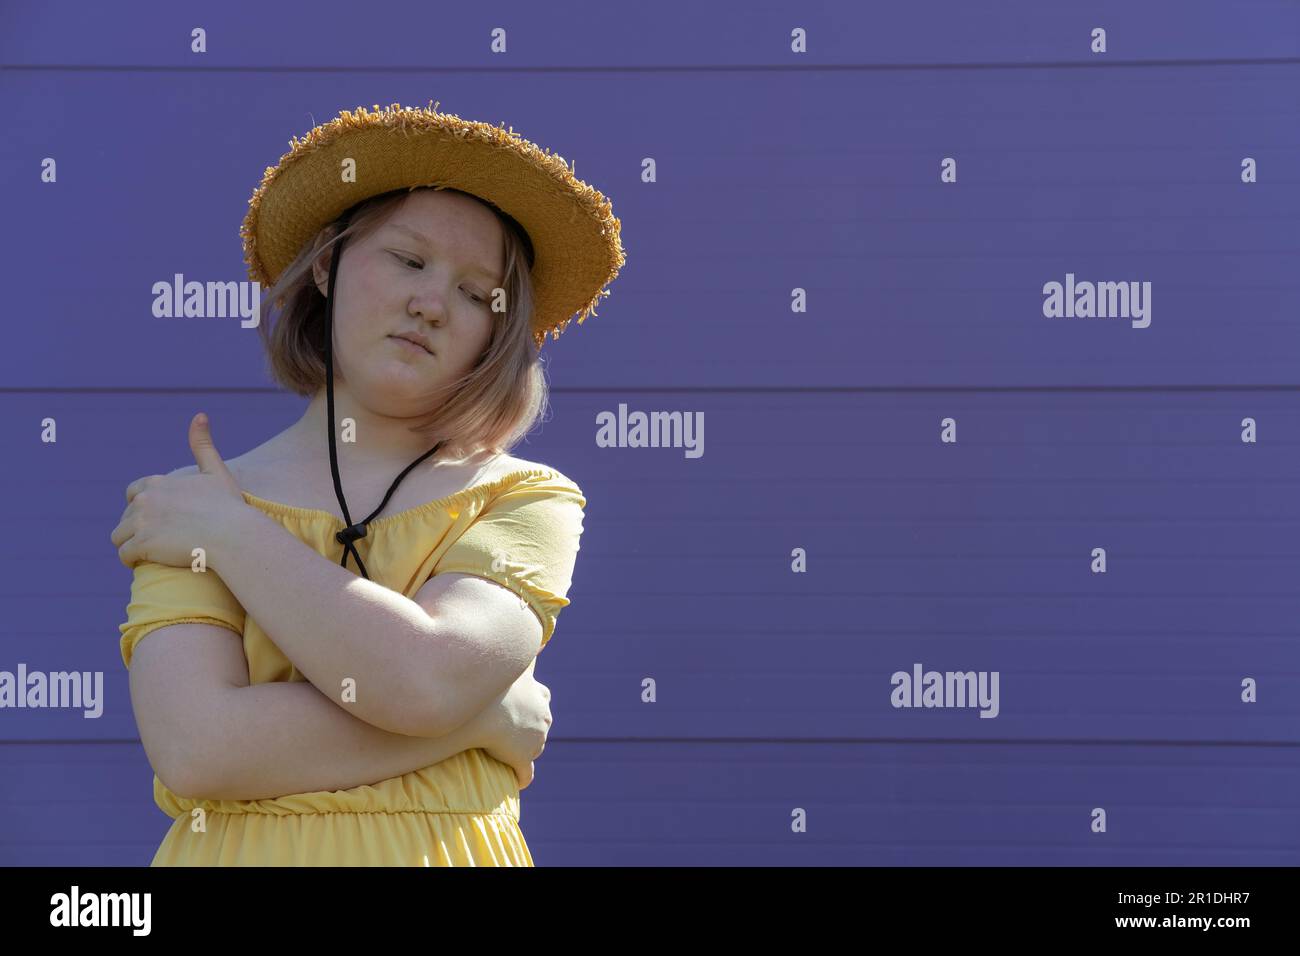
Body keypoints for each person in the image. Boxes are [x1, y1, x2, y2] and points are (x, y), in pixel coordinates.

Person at [109, 102, 626, 865]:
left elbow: (425, 680)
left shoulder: (524, 498)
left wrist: (232, 536)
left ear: (497, 332)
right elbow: (199, 749)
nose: (431, 305)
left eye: (477, 293)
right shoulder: (197, 500)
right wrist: (476, 722)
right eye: (409, 261)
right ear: (326, 264)